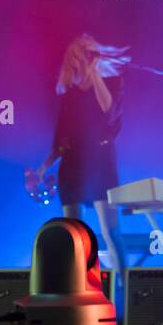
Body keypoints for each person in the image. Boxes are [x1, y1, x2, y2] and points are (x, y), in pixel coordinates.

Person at [30, 35, 129, 270]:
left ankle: (125, 289)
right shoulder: (69, 94)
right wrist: (43, 168)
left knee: (111, 231)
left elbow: (109, 110)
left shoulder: (113, 81)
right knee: (76, 236)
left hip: (101, 160)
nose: (84, 56)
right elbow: (60, 138)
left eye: (88, 51)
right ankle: (85, 288)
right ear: (73, 58)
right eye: (79, 52)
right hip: (73, 163)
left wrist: (95, 73)